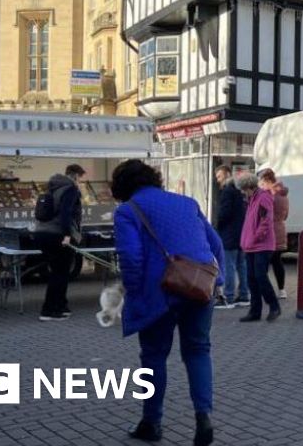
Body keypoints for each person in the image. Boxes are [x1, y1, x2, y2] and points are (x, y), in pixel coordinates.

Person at [112, 159, 223, 446]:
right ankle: (204, 417)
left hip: (159, 293)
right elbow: (216, 245)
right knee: (198, 351)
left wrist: (134, 294)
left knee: (153, 357)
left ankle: (151, 422)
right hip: (199, 288)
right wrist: (216, 282)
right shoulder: (187, 203)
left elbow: (131, 257)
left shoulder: (128, 211)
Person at [36, 164, 84, 321]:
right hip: (59, 234)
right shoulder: (70, 189)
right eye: (80, 178)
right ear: (75, 175)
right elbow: (66, 213)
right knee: (60, 273)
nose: (80, 181)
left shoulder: (53, 187)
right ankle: (50, 310)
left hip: (43, 232)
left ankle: (62, 305)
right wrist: (67, 235)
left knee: (57, 272)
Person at [237, 173, 280, 323]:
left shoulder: (263, 197)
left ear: (249, 187)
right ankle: (255, 311)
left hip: (262, 245)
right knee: (252, 279)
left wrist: (256, 237)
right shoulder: (251, 199)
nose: (243, 192)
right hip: (251, 246)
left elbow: (266, 220)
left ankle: (274, 306)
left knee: (260, 276)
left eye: (243, 189)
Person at [214, 165, 249, 308]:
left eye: (220, 177)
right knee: (242, 265)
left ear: (227, 175)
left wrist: (218, 224)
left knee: (229, 265)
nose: (218, 180)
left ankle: (228, 296)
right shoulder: (239, 192)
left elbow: (225, 214)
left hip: (229, 234)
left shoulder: (227, 191)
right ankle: (244, 295)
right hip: (241, 234)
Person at [259, 168, 289, 299]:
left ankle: (264, 290)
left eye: (262, 182)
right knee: (277, 262)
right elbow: (286, 215)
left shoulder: (269, 196)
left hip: (269, 232)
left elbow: (263, 215)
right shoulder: (284, 196)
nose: (260, 185)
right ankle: (282, 290)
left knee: (263, 263)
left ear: (267, 180)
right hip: (280, 230)